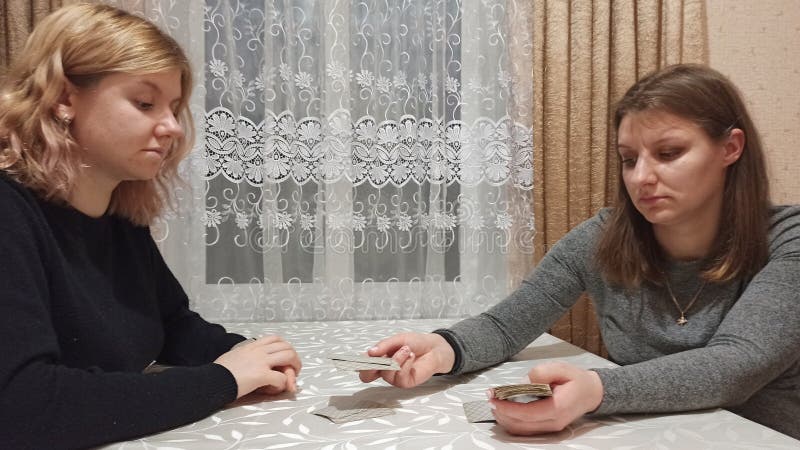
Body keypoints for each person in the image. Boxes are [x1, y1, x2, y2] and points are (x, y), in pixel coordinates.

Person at [360, 63, 800, 438]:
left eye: (668, 153)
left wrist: (597, 390)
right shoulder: (604, 236)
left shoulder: (788, 239)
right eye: (629, 159)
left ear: (730, 148)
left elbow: (735, 366)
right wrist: (442, 349)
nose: (641, 177)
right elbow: (506, 325)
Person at [0, 4, 301, 448]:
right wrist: (224, 379)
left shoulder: (119, 216)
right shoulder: (10, 213)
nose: (172, 127)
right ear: (64, 98)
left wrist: (247, 353)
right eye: (145, 103)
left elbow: (173, 326)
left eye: (175, 108)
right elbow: (24, 405)